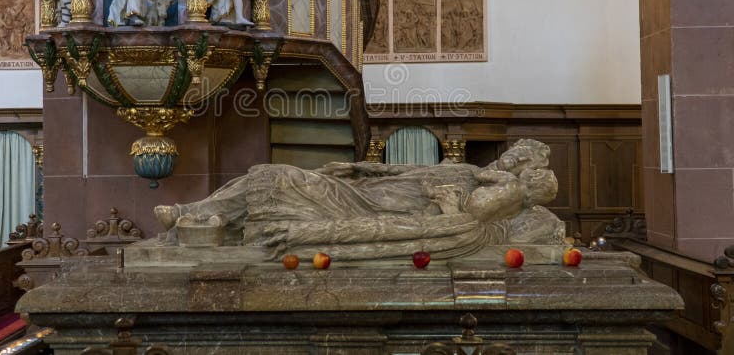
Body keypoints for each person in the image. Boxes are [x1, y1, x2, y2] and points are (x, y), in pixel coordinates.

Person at [155, 139, 563, 260]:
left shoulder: (498, 198)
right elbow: (405, 170)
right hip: (366, 191)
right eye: (511, 154)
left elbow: (458, 221)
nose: (507, 160)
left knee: (277, 176)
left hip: (378, 210)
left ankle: (195, 217)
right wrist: (358, 167)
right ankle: (198, 217)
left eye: (517, 161)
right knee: (275, 175)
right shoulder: (469, 169)